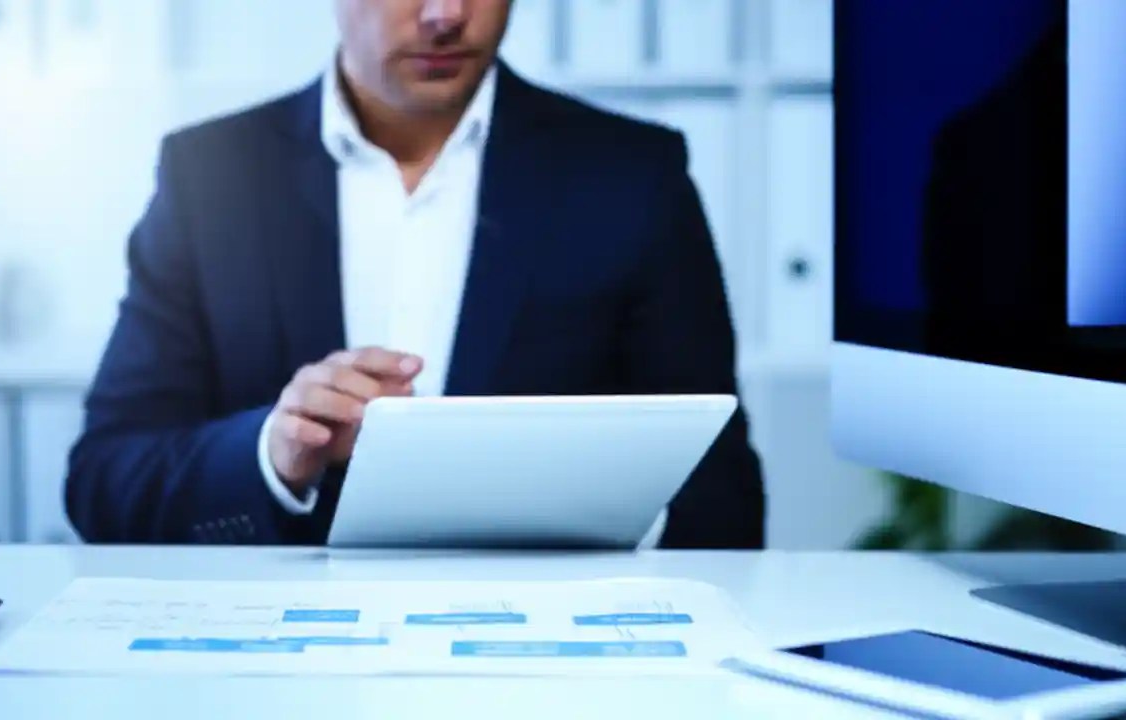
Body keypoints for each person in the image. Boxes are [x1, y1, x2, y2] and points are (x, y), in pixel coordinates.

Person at [65, 0, 765, 549]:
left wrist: (597, 505)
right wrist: (273, 456)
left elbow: (727, 501)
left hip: (542, 660)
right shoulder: (209, 174)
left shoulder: (634, 176)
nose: (446, 14)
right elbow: (104, 480)